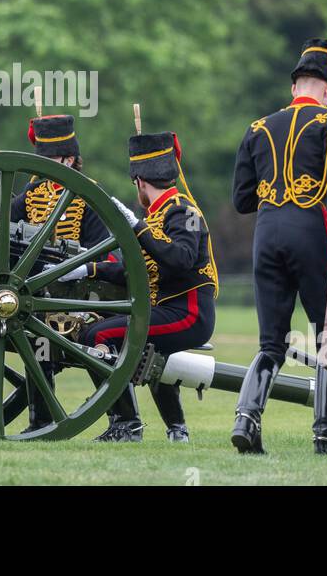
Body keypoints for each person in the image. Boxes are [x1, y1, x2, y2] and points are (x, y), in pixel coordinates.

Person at [230, 38, 327, 455]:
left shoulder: (256, 128)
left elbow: (240, 199)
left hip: (266, 234)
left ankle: (247, 418)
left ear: (295, 86)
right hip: (310, 231)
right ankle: (326, 433)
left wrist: (275, 193)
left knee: (271, 343)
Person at [68, 130, 218, 442]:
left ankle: (127, 424)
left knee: (98, 334)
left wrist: (138, 229)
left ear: (139, 181)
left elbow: (180, 258)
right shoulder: (156, 215)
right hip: (166, 311)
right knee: (149, 352)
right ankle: (177, 431)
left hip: (188, 313)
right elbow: (134, 270)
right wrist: (87, 267)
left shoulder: (184, 211)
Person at [8, 113, 110, 432]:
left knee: (42, 335)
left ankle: (125, 422)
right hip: (40, 297)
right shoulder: (31, 196)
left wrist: (75, 269)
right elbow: (0, 229)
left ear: (67, 159)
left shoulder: (89, 196)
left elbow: (104, 253)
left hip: (84, 298)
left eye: (49, 158)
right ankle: (41, 421)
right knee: (37, 337)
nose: (44, 165)